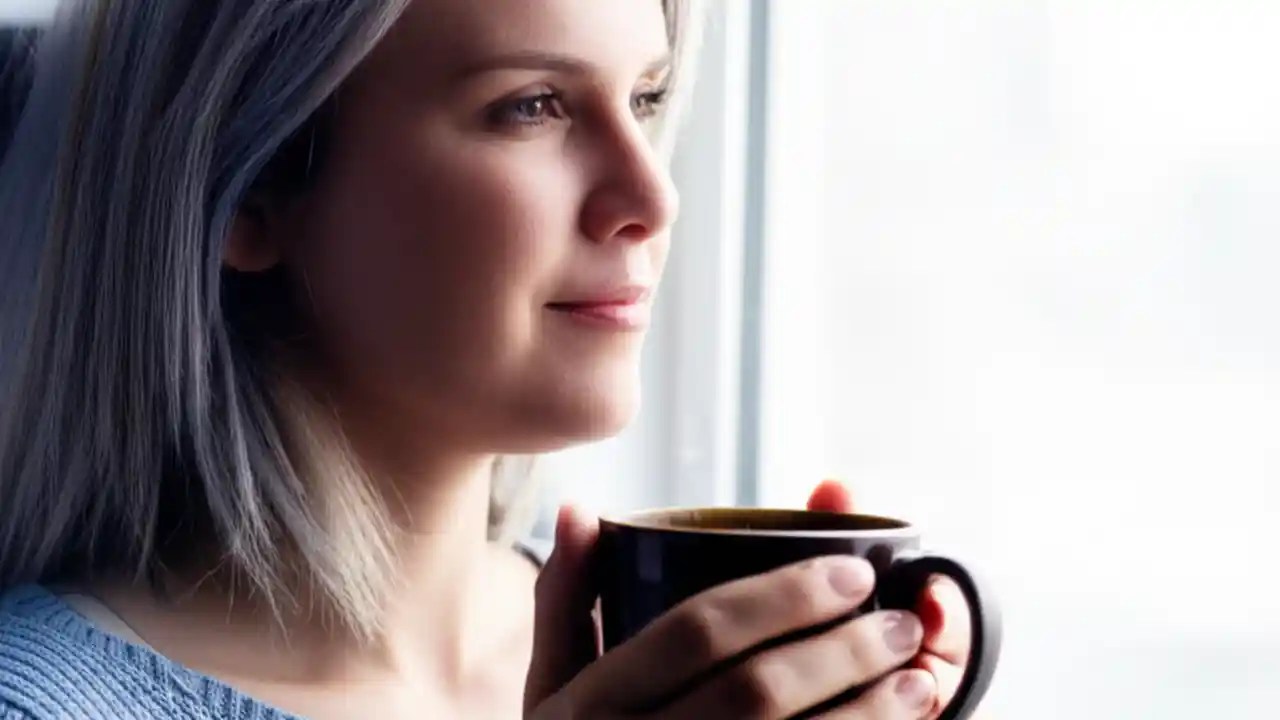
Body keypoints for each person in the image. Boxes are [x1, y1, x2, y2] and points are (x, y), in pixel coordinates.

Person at [0, 1, 977, 718]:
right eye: (532, 106)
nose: (651, 194)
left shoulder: (687, 675)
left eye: (644, 96)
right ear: (250, 187)